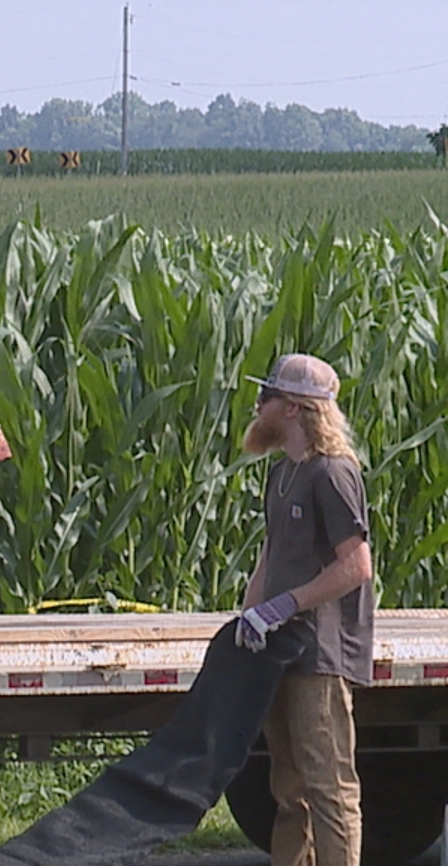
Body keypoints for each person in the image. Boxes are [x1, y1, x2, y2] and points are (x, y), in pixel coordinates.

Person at [235, 353, 374, 866]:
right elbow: (272, 555)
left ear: (293, 408)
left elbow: (356, 565)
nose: (260, 402)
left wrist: (284, 608)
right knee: (289, 790)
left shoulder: (332, 474)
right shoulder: (283, 473)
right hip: (280, 652)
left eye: (268, 394)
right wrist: (248, 618)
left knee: (329, 788)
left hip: (319, 653)